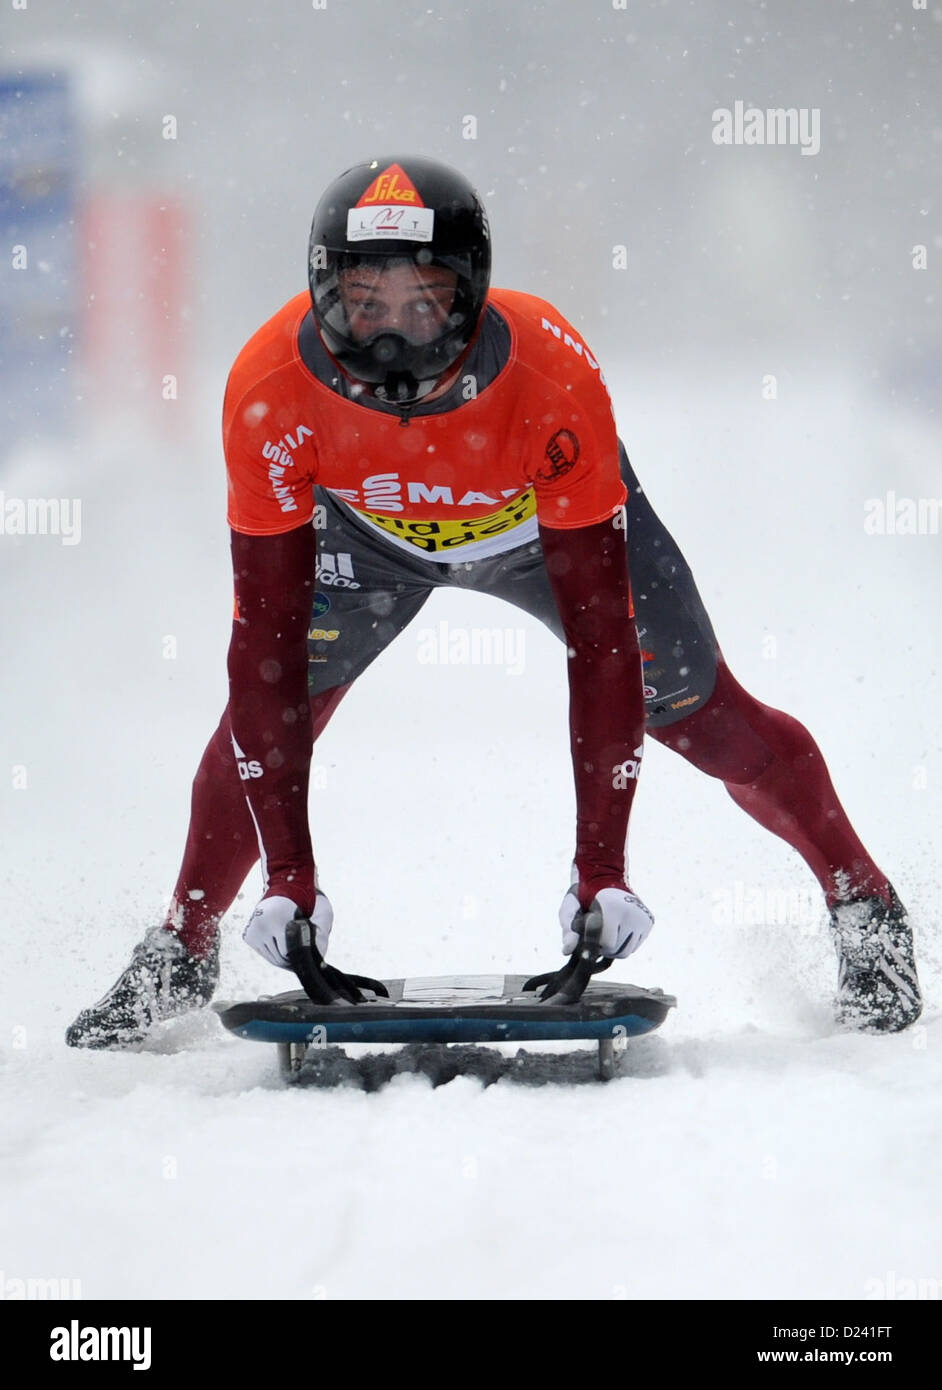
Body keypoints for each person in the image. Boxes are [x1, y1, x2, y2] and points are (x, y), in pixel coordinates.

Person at [66, 155, 921, 1048]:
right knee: (282, 704)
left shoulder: (550, 374)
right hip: (369, 540)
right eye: (366, 305)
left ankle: (863, 901)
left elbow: (601, 642)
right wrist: (288, 876)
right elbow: (262, 653)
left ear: (472, 296)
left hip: (540, 533)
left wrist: (602, 872)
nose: (392, 337)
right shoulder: (268, 389)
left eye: (423, 302)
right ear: (323, 295)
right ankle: (184, 940)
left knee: (710, 722)